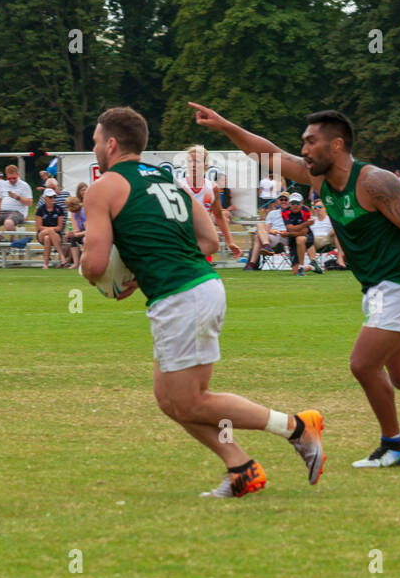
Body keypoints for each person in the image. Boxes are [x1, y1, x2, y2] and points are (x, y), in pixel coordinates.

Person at [191, 102, 400, 469]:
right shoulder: (320, 179)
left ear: (336, 145)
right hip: (378, 287)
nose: (303, 150)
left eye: (310, 142)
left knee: (363, 364)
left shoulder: (374, 181)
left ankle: (394, 444)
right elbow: (270, 155)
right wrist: (226, 125)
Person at [82, 106, 324, 498]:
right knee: (171, 400)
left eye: (95, 141)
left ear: (110, 144)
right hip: (197, 286)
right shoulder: (167, 179)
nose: (94, 148)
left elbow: (94, 265)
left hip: (182, 295)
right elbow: (210, 241)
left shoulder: (103, 187)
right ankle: (241, 467)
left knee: (193, 401)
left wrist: (97, 274)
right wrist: (152, 262)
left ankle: (297, 426)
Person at [179, 144, 242, 262]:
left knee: (203, 277)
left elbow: (218, 216)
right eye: (190, 161)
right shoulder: (179, 186)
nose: (193, 165)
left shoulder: (212, 188)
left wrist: (230, 242)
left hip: (203, 241)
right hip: (182, 239)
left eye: (197, 161)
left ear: (205, 165)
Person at [243, 194, 288, 269]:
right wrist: (271, 232)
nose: (283, 201)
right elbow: (267, 230)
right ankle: (266, 246)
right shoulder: (272, 213)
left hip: (286, 237)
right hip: (273, 236)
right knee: (259, 225)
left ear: (289, 201)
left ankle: (251, 264)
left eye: (285, 199)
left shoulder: (292, 212)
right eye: (281, 199)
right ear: (277, 201)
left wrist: (286, 232)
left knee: (257, 237)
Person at [280, 192, 318, 276]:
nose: (295, 205)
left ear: (302, 203)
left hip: (307, 236)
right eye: (293, 203)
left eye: (297, 203)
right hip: (292, 237)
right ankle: (312, 267)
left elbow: (304, 232)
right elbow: (290, 228)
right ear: (289, 203)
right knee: (294, 272)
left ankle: (301, 267)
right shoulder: (285, 212)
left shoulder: (306, 210)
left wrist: (288, 233)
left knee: (300, 239)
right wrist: (306, 224)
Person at [0, 165, 33, 231]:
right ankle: (2, 240)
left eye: (14, 178)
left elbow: (30, 203)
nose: (12, 180)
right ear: (6, 176)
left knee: (8, 223)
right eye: (9, 178)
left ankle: (13, 240)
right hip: (3, 212)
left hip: (17, 212)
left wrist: (18, 197)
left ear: (18, 174)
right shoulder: (3, 184)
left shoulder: (24, 185)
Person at [308, 199, 346, 269]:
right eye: (315, 208)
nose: (318, 209)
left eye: (320, 207)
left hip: (328, 239)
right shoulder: (311, 220)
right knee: (305, 237)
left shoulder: (331, 219)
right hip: (313, 241)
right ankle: (314, 264)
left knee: (336, 230)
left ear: (325, 207)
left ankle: (340, 257)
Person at [35, 192, 66, 268]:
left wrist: (50, 230)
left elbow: (59, 227)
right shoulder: (40, 209)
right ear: (45, 198)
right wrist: (50, 229)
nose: (53, 199)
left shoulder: (59, 209)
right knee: (48, 233)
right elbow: (39, 227)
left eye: (54, 197)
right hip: (41, 234)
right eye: (50, 197)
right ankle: (61, 256)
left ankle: (45, 264)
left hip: (56, 235)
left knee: (47, 238)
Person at [63, 194, 87, 268]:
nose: (67, 209)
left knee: (83, 239)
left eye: (68, 207)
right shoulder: (76, 214)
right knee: (73, 239)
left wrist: (76, 234)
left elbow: (88, 231)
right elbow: (78, 229)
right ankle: (76, 264)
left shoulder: (83, 213)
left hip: (90, 234)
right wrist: (71, 233)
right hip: (83, 233)